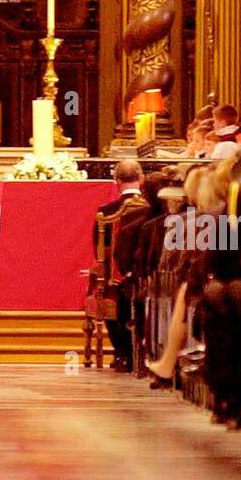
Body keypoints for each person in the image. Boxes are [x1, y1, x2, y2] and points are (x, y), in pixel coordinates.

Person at [96, 159, 147, 372]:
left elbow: (99, 249)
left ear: (116, 181)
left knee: (111, 299)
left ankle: (122, 354)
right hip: (145, 275)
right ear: (141, 178)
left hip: (114, 278)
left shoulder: (106, 211)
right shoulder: (151, 207)